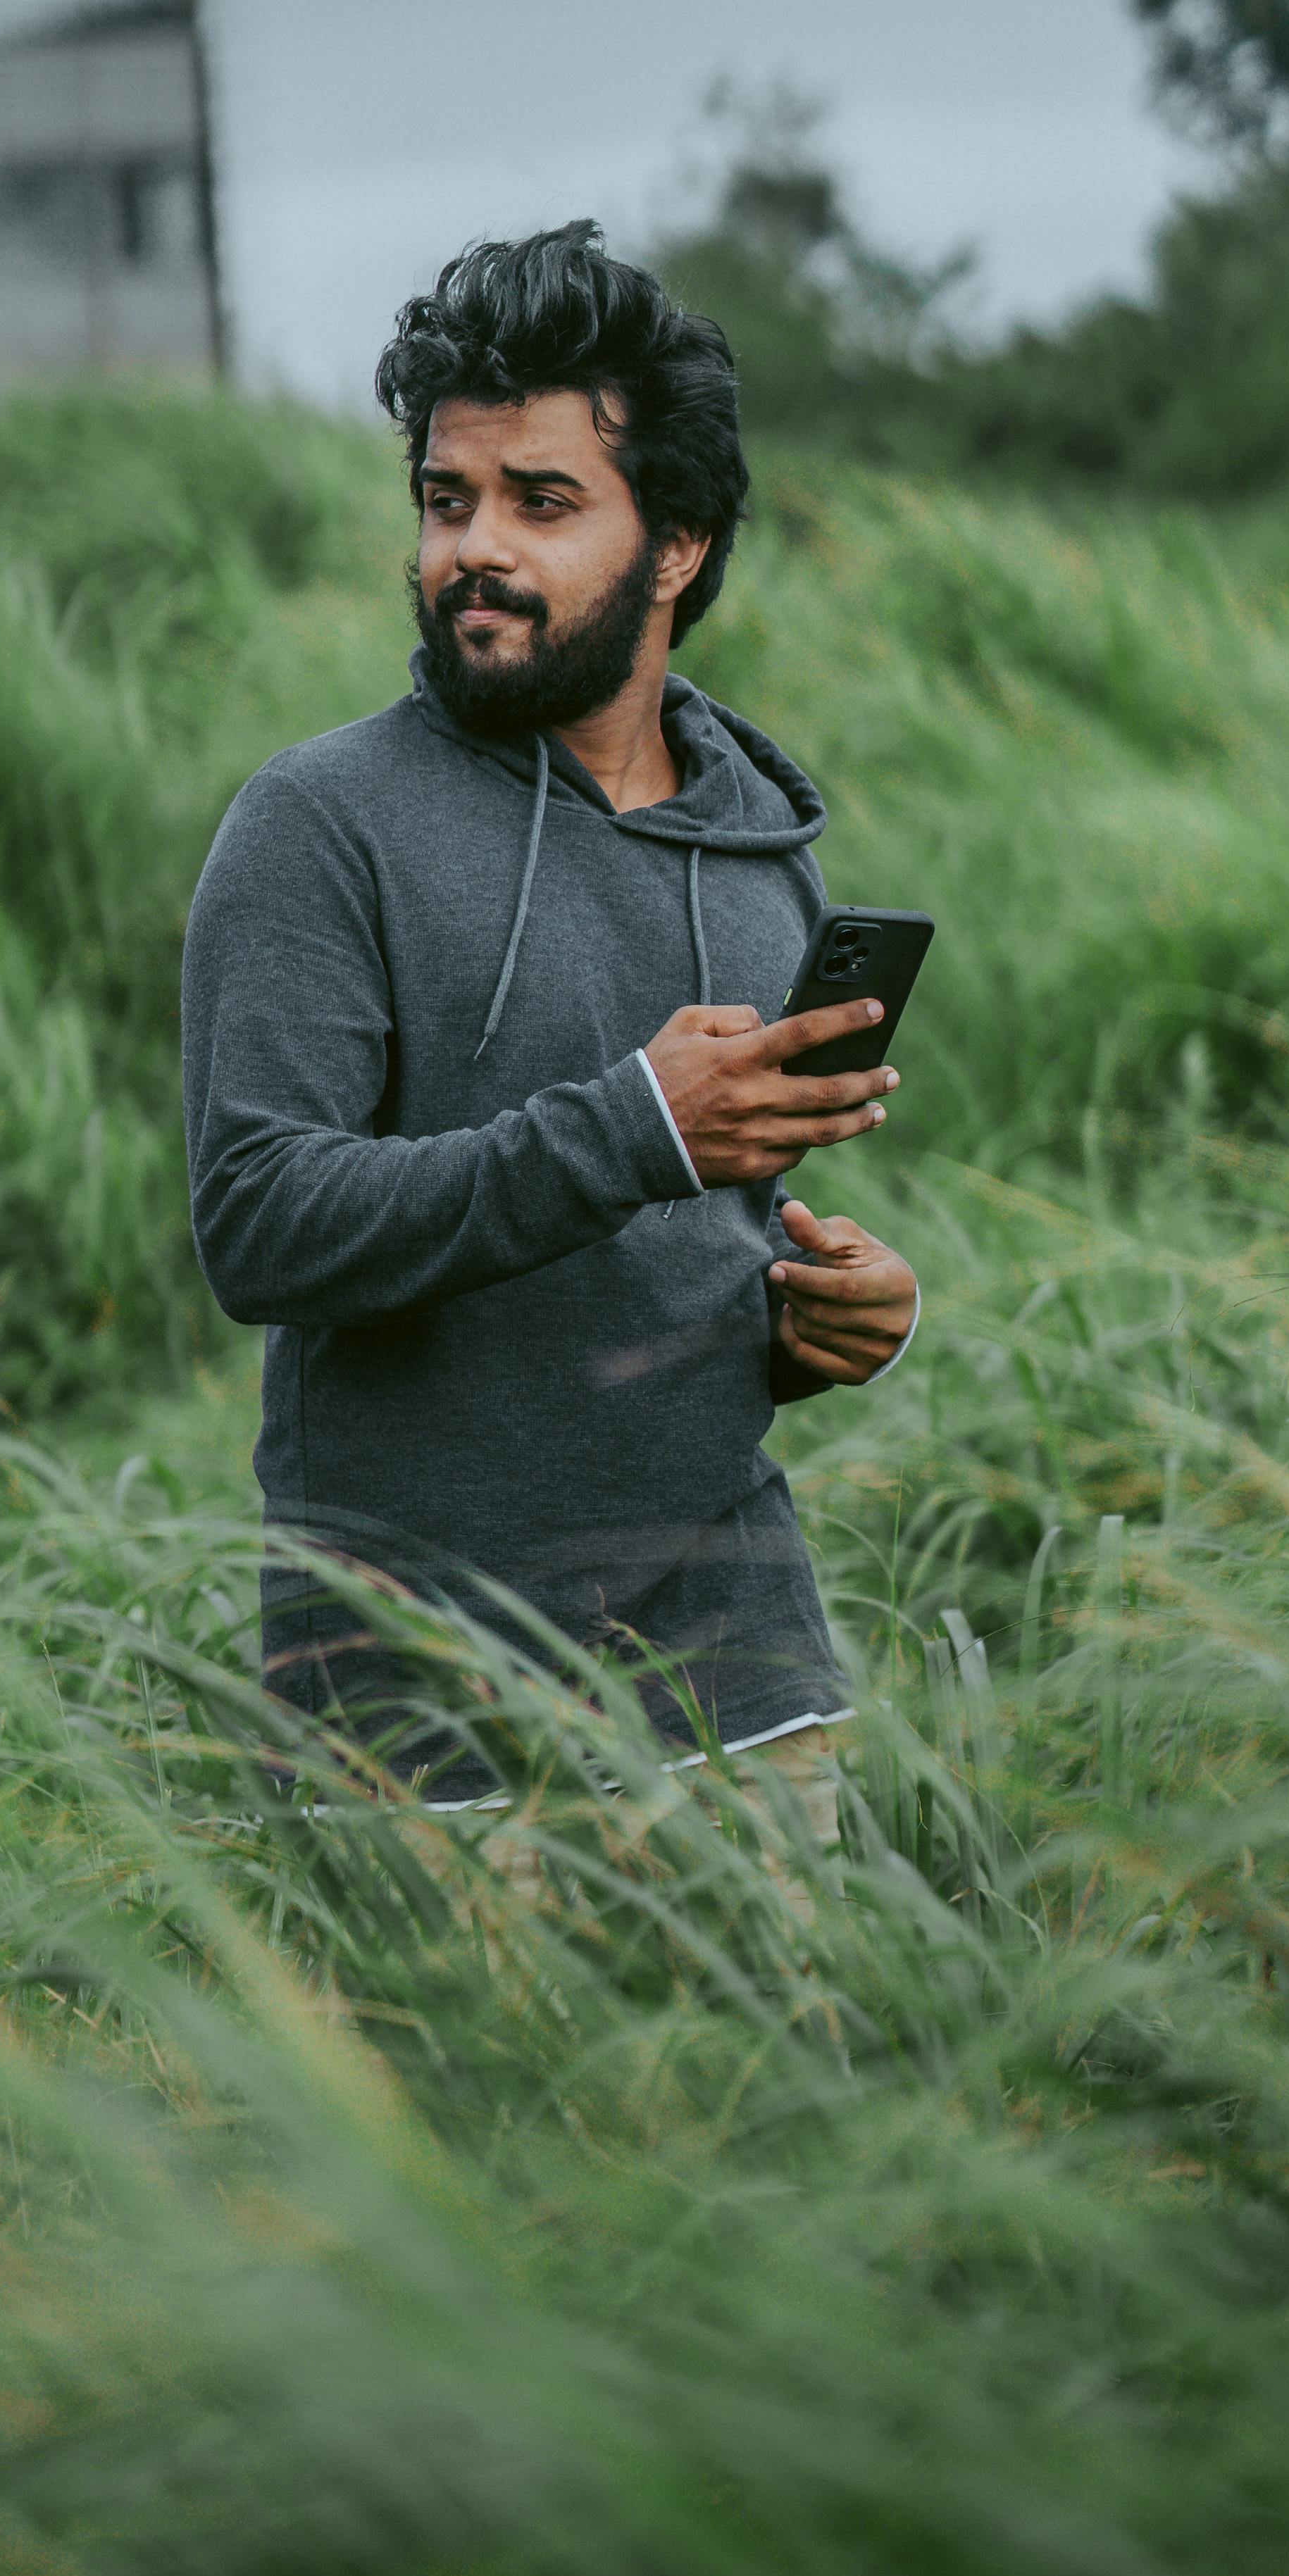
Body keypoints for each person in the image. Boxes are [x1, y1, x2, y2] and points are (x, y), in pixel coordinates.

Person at [180, 221, 920, 1811]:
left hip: (744, 1679)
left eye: (541, 501)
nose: (471, 550)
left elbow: (688, 1242)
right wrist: (636, 1128)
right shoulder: (319, 824)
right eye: (446, 501)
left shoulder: (758, 854)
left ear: (678, 544)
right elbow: (258, 1224)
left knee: (814, 2065)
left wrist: (822, 1319)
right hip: (421, 1715)